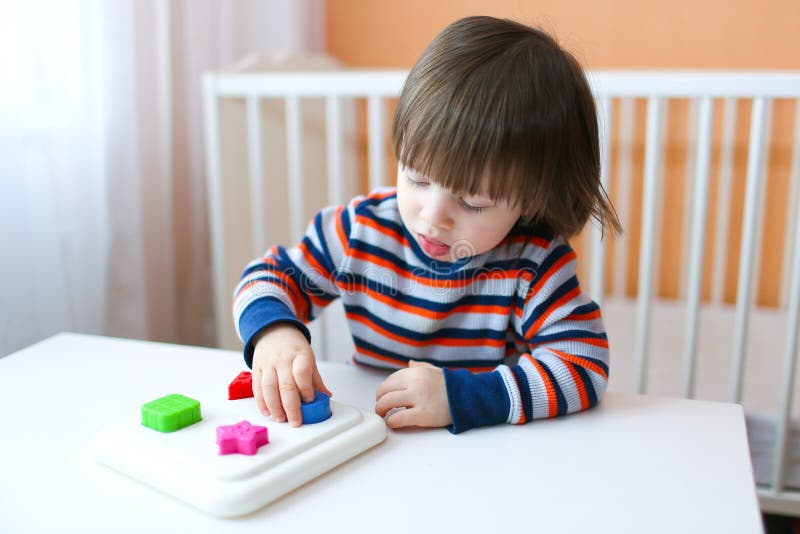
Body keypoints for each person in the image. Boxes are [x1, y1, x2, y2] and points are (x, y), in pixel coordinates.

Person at [233, 15, 621, 434]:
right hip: (372, 438)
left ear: (528, 200)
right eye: (417, 177)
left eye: (473, 202)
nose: (433, 215)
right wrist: (274, 333)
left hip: (483, 455)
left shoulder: (534, 264)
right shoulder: (360, 231)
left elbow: (583, 363)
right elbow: (267, 277)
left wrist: (465, 398)